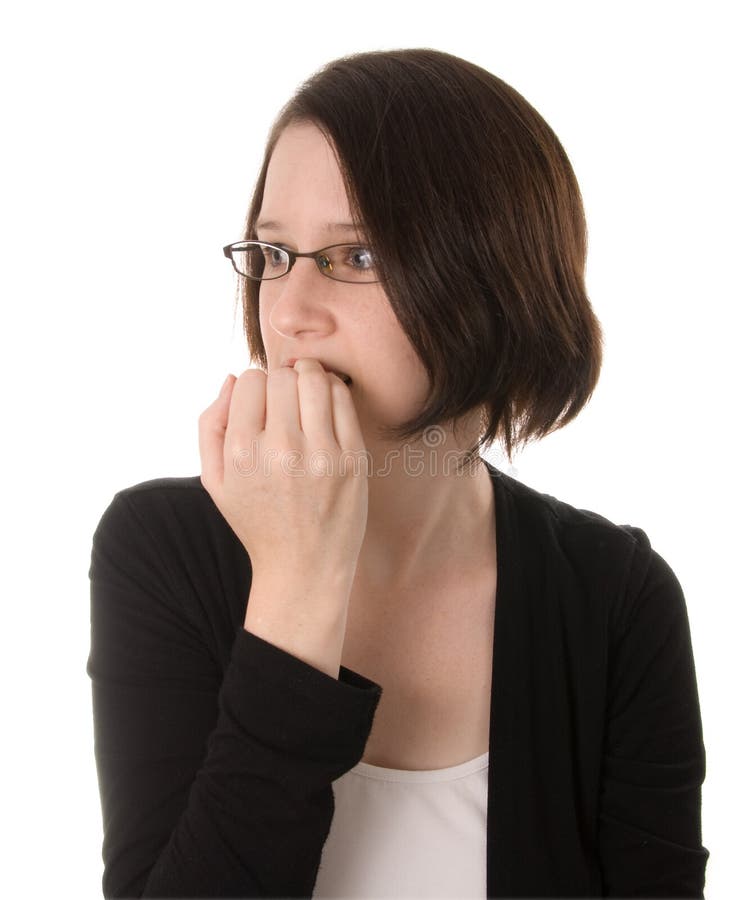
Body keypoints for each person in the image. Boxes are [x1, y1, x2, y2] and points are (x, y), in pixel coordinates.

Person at [87, 48, 709, 899]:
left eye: (357, 257)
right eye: (274, 253)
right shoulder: (160, 550)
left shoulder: (615, 600)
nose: (289, 313)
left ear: (496, 283)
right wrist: (297, 585)